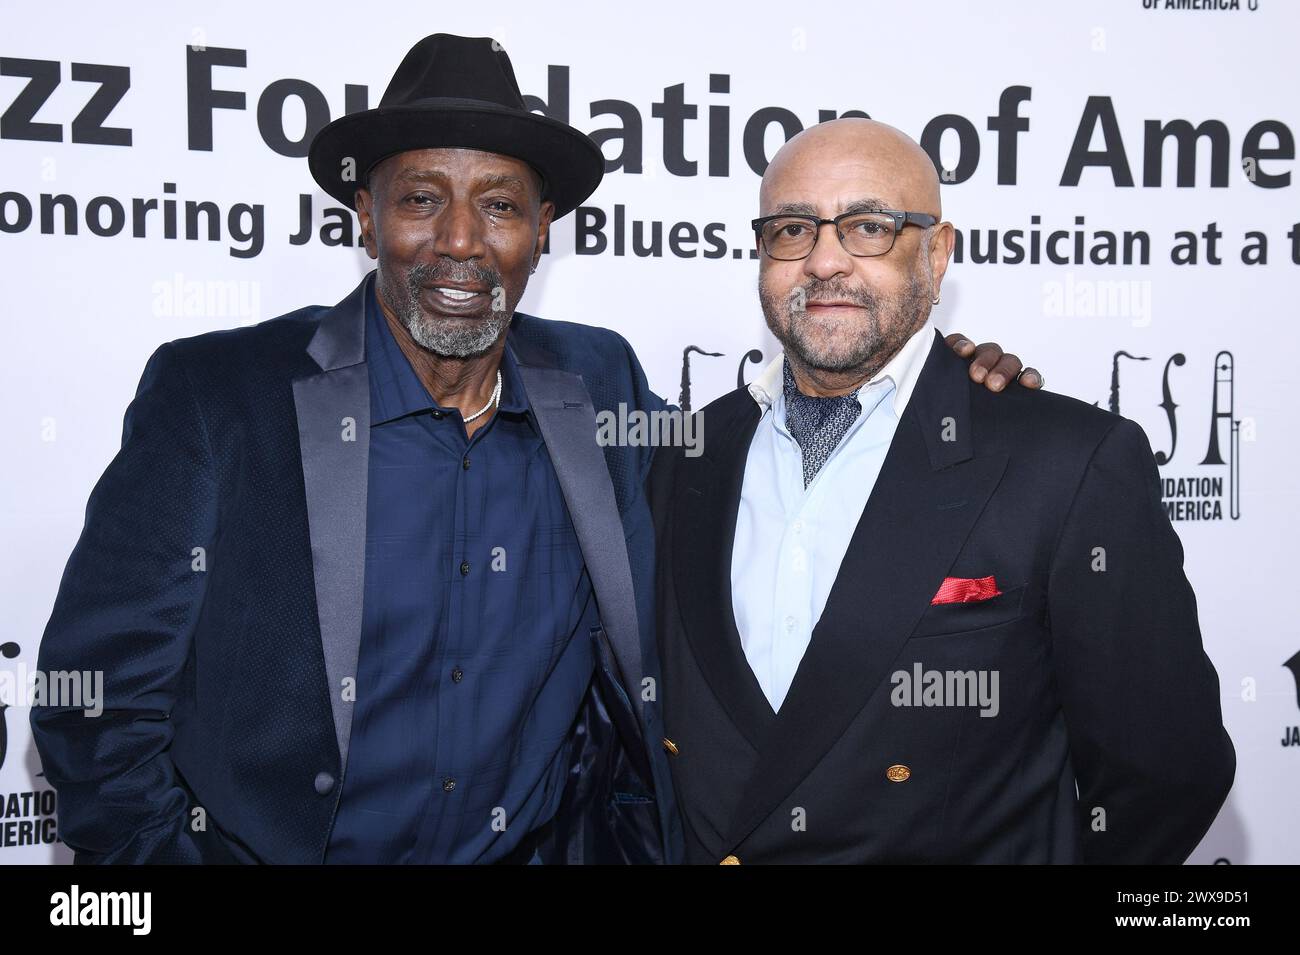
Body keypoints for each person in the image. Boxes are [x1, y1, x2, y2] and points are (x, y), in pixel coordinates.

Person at [30, 36, 1032, 864]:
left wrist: (921, 381)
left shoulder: (596, 386)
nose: (460, 240)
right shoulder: (220, 397)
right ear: (364, 216)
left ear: (542, 229)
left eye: (501, 204)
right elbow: (95, 710)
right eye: (421, 198)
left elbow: (768, 467)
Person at [650, 117, 1235, 864]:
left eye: (869, 226)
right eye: (793, 229)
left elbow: (1169, 772)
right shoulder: (683, 458)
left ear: (937, 251)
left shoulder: (1067, 462)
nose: (825, 261)